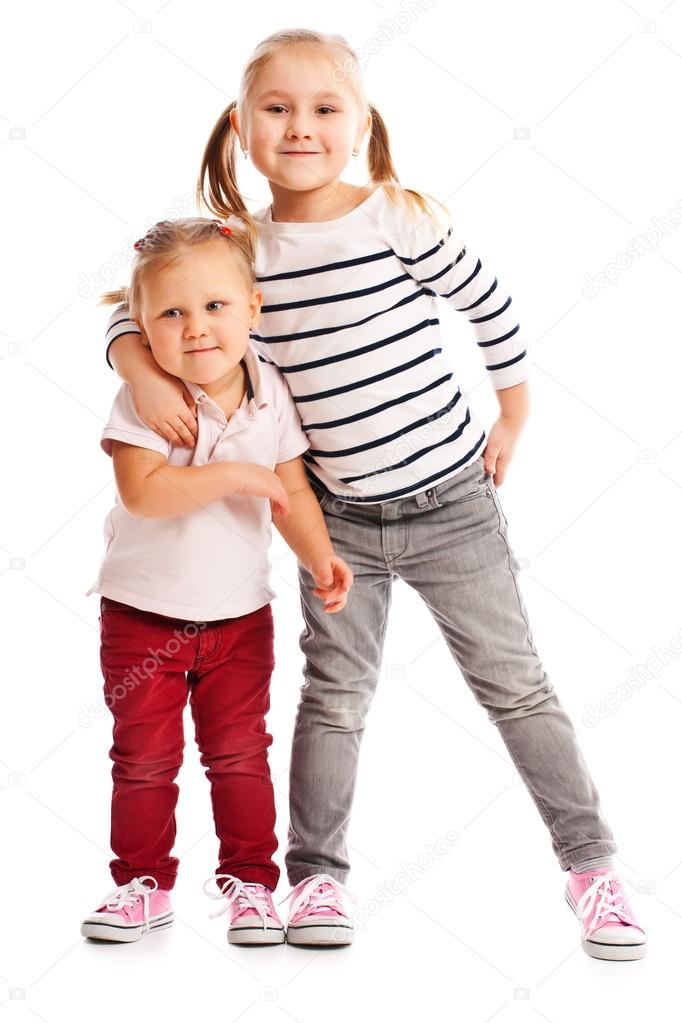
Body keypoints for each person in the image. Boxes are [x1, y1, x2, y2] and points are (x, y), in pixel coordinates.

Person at [100, 29, 646, 959]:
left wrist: (511, 418)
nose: (300, 127)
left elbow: (492, 308)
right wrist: (133, 363)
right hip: (336, 512)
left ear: (360, 125)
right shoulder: (245, 248)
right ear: (242, 127)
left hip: (450, 504)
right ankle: (316, 879)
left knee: (516, 686)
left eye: (324, 109)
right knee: (335, 695)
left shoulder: (394, 217)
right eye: (276, 110)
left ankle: (592, 866)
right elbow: (144, 293)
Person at [82, 215, 353, 945]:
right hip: (142, 616)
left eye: (214, 307)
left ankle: (252, 885)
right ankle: (141, 883)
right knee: (144, 757)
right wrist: (232, 472)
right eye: (171, 314)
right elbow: (144, 492)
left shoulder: (271, 393)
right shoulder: (151, 399)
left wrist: (319, 555)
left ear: (252, 310)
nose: (195, 329)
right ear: (139, 327)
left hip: (239, 619)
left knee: (239, 753)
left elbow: (289, 490)